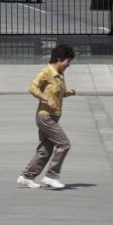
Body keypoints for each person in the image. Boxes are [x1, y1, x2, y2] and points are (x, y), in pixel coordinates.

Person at [17, 43, 76, 189]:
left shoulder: (60, 75)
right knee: (64, 144)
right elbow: (32, 88)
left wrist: (68, 92)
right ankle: (51, 176)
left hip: (53, 116)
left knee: (45, 151)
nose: (68, 65)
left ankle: (27, 176)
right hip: (45, 116)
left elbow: (58, 95)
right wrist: (45, 98)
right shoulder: (46, 72)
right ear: (59, 59)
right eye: (67, 62)